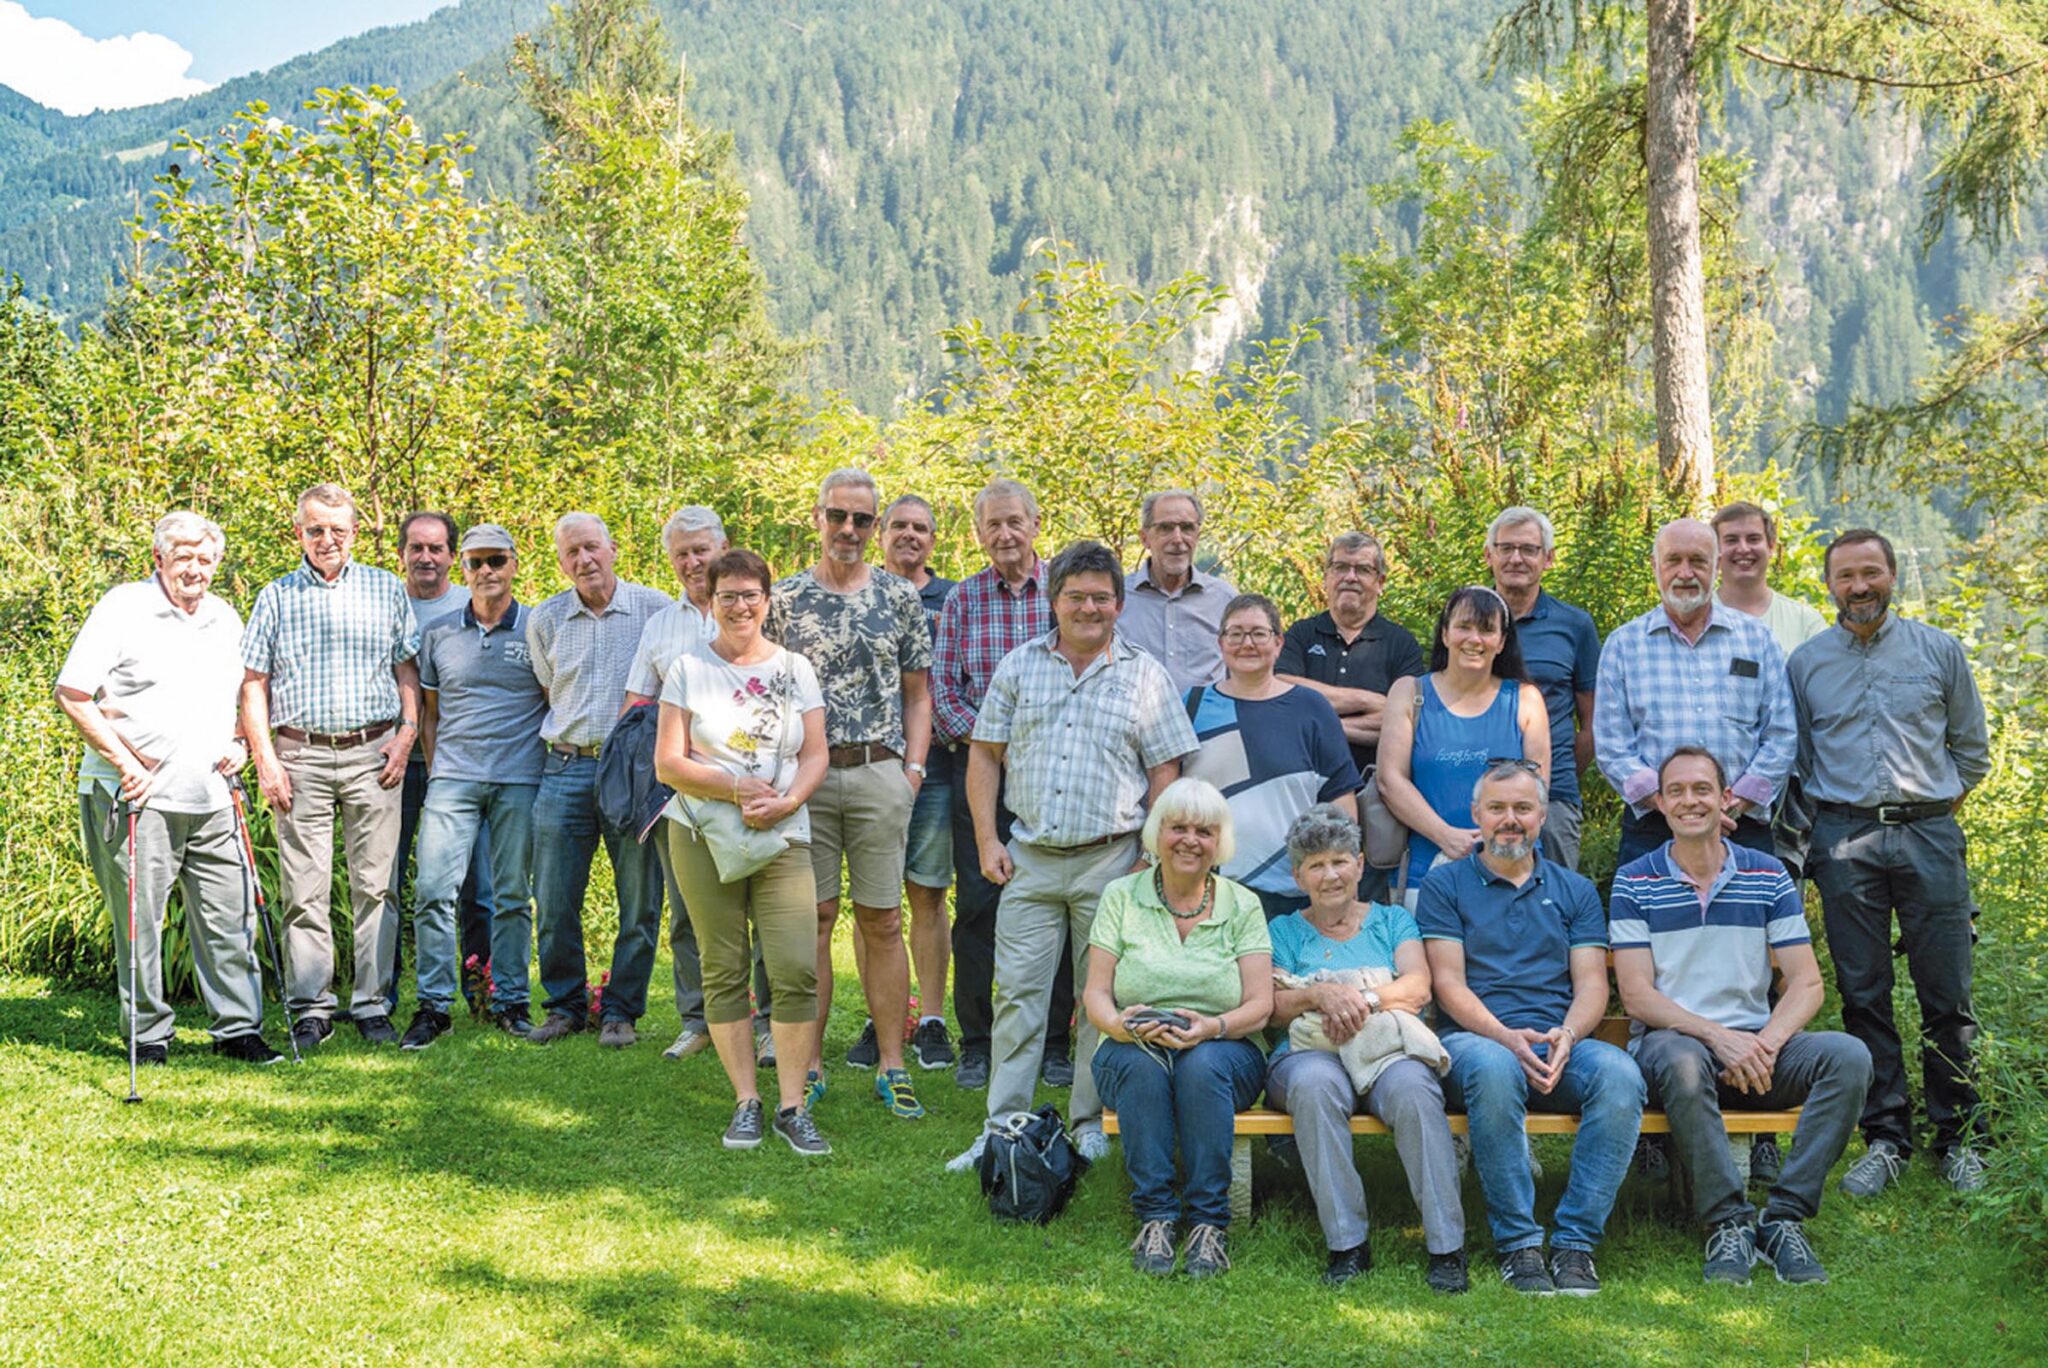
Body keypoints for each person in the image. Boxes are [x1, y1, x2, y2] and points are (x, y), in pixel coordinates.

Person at [950, 539, 1199, 1172]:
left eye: (1101, 597)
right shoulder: (1019, 666)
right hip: (1030, 856)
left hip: (1112, 861)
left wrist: (1151, 856)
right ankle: (1002, 1124)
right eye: (1075, 596)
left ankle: (1090, 1121)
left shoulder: (1145, 674)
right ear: (1054, 601)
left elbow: (1165, 769)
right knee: (1018, 995)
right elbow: (984, 754)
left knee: (1101, 999)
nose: (1089, 608)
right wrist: (986, 838)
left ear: (1119, 603)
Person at [1612, 746, 1872, 1285]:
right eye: (1677, 791)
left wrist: (1765, 1043)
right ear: (1660, 803)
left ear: (1726, 798)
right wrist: (1718, 1038)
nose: (1690, 801)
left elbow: (1806, 982)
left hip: (1757, 1052)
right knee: (1684, 1059)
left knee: (1848, 1056)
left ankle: (1784, 1219)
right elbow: (1637, 997)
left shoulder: (1768, 874)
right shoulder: (1635, 881)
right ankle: (1728, 1222)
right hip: (1672, 1049)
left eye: (1702, 789)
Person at [1790, 529, 1992, 1195]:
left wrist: (1928, 810)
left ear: (1892, 575)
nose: (1858, 587)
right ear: (1829, 585)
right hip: (1844, 842)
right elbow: (1800, 762)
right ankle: (1886, 1138)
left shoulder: (1939, 651)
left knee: (1948, 993)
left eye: (1869, 573)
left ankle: (1961, 1140)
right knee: (1863, 993)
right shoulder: (1808, 663)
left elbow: (1970, 751)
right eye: (1845, 576)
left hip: (1930, 835)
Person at [1418, 761, 1645, 1297]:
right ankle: (1519, 1245)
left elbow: (1592, 984)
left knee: (1621, 1075)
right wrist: (1504, 1036)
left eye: (1523, 808)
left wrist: (1567, 1035)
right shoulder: (1445, 885)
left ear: (1542, 816)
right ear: (1476, 815)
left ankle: (1574, 1245)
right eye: (1497, 808)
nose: (1510, 820)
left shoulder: (1574, 890)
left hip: (1557, 1043)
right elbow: (1448, 985)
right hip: (1474, 1043)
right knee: (1496, 1070)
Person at [56, 511, 276, 1065]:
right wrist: (123, 761)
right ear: (159, 558)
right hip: (135, 797)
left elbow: (238, 695)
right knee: (140, 925)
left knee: (230, 919)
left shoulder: (225, 618)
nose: (194, 569)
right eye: (183, 557)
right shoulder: (124, 608)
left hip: (212, 794)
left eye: (205, 559)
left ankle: (238, 1030)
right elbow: (73, 693)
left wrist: (241, 744)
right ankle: (149, 1035)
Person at [655, 548, 832, 1155]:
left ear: (766, 598)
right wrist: (734, 788)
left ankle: (792, 1105)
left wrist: (786, 803)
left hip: (782, 832)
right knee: (723, 966)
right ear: (711, 600)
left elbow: (815, 754)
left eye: (749, 594)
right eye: (726, 594)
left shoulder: (795, 668)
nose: (739, 605)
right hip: (703, 833)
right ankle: (746, 1103)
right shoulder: (686, 669)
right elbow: (668, 762)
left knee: (794, 967)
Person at [771, 468, 932, 1120]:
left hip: (877, 773)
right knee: (812, 921)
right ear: (817, 517)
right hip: (805, 778)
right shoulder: (782, 599)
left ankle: (893, 1064)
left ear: (874, 526)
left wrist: (912, 771)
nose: (848, 530)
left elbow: (919, 693)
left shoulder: (898, 597)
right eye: (838, 516)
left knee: (883, 920)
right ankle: (808, 1066)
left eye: (862, 520)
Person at [240, 483, 420, 1049]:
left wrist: (407, 734)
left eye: (337, 530)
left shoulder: (387, 589)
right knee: (305, 889)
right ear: (299, 533)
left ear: (354, 534)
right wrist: (265, 759)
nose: (326, 540)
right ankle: (311, 1008)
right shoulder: (276, 596)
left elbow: (406, 671)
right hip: (299, 755)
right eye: (315, 529)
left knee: (377, 886)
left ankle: (371, 1005)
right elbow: (253, 684)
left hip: (374, 754)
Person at [1264, 805, 1467, 1292]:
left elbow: (1417, 986)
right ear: (1298, 876)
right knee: (1314, 1087)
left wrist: (1359, 999)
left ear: (1358, 864)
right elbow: (1272, 1005)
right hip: (1309, 1054)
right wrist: (1317, 995)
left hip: (1385, 1051)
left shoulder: (1393, 921)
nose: (1330, 874)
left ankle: (1447, 1247)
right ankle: (1347, 1244)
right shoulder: (1284, 931)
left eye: (1339, 861)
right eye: (1316, 865)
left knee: (1416, 1091)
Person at [1084, 778, 1272, 1280]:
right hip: (1132, 1044)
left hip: (1226, 1046)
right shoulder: (1121, 896)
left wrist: (1212, 1026)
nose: (1190, 840)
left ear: (1220, 842)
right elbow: (1096, 994)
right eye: (1178, 827)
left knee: (1201, 1067)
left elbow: (1260, 1005)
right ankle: (1157, 1217)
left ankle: (1209, 1224)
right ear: (1157, 833)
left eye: (1204, 831)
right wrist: (1121, 1026)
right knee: (1143, 1068)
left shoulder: (1243, 904)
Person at [930, 478, 1073, 1089]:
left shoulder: (1064, 594)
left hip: (1057, 773)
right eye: (993, 525)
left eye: (1015, 521)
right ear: (978, 534)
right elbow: (945, 695)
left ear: (1036, 524)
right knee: (980, 904)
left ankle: (1056, 1043)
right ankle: (978, 1043)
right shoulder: (963, 600)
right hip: (980, 770)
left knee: (1062, 901)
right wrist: (993, 744)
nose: (1005, 534)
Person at [622, 506, 773, 1067]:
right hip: (681, 792)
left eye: (700, 551)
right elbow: (638, 703)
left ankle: (768, 1026)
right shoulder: (661, 624)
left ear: (722, 547)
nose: (691, 562)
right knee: (688, 912)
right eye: (681, 554)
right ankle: (699, 1020)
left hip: (754, 784)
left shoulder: (753, 610)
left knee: (762, 907)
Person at [524, 513, 670, 1047]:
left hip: (633, 772)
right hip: (565, 767)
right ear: (561, 563)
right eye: (571, 553)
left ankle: (621, 1013)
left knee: (639, 896)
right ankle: (565, 1007)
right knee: (556, 897)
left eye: (591, 548)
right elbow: (547, 687)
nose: (584, 560)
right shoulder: (545, 619)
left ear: (612, 548)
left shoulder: (655, 609)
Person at [403, 525, 548, 1047]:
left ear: (513, 564)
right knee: (433, 892)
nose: (486, 571)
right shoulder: (439, 633)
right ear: (461, 569)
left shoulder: (538, 627)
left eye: (496, 561)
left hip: (519, 778)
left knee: (511, 895)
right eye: (476, 562)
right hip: (453, 779)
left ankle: (509, 1001)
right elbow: (431, 715)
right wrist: (440, 767)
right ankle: (433, 1006)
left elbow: (553, 700)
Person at [1595, 518, 1797, 869]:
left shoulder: (1756, 640)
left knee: (1751, 923)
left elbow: (1781, 735)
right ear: (1655, 566)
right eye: (1673, 560)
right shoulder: (1623, 645)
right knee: (1655, 924)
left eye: (1698, 561)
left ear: (1717, 566)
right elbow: (1612, 747)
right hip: (1654, 828)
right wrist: (1677, 806)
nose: (1685, 573)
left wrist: (1731, 805)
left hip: (1741, 825)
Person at [848, 493, 959, 1070]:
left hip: (933, 769)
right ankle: (879, 1016)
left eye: (920, 528)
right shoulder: (858, 591)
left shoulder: (951, 598)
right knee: (874, 903)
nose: (908, 535)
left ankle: (933, 1019)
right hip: (865, 767)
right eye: (898, 526)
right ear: (880, 534)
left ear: (933, 540)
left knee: (928, 893)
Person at [1181, 593, 1360, 921]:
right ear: (1220, 643)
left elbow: (1341, 802)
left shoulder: (1311, 707)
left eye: (1259, 634)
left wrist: (1340, 885)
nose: (1247, 643)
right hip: (1209, 890)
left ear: (1278, 643)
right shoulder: (1190, 706)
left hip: (1293, 895)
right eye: (1235, 633)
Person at [1275, 533, 1426, 900]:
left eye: (1362, 569)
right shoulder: (1300, 634)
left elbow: (1406, 723)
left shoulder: (1400, 643)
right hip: (1303, 794)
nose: (1350, 576)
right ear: (1326, 576)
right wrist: (1371, 701)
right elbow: (1281, 692)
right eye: (1340, 566)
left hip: (1375, 797)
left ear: (1380, 581)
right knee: (1306, 891)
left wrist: (1318, 720)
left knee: (1367, 895)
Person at [1377, 587, 1549, 905]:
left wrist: (1489, 843)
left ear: (1501, 641)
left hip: (1512, 874)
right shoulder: (1410, 693)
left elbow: (1536, 793)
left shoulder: (1525, 700)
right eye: (1464, 627)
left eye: (1486, 630)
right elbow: (1390, 780)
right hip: (1426, 873)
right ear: (1445, 633)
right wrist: (1446, 835)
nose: (1474, 639)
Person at [386, 511, 492, 1016]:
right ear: (402, 554)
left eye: (436, 548)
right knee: (388, 879)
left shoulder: (472, 605)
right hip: (394, 762)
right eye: (416, 548)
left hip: (461, 764)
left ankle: (481, 990)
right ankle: (381, 993)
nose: (426, 557)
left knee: (477, 885)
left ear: (453, 556)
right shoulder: (386, 603)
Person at [1483, 507, 1601, 871]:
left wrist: (1558, 767)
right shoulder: (1467, 621)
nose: (1516, 558)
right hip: (1475, 793)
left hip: (1554, 799)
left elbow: (1592, 722)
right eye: (1506, 548)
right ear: (1489, 555)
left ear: (1548, 559)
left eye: (1529, 549)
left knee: (1553, 908)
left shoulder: (1575, 625)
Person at [1117, 489, 1237, 692]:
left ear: (1198, 534)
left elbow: (1241, 674)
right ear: (1145, 538)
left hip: (1205, 723)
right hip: (1136, 721)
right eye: (1165, 528)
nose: (1178, 539)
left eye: (1187, 528)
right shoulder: (1117, 598)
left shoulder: (1225, 600)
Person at [1713, 502, 1829, 655]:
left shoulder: (1805, 622)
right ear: (1715, 550)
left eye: (1753, 539)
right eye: (1731, 540)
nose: (1743, 549)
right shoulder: (1694, 617)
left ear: (1771, 547)